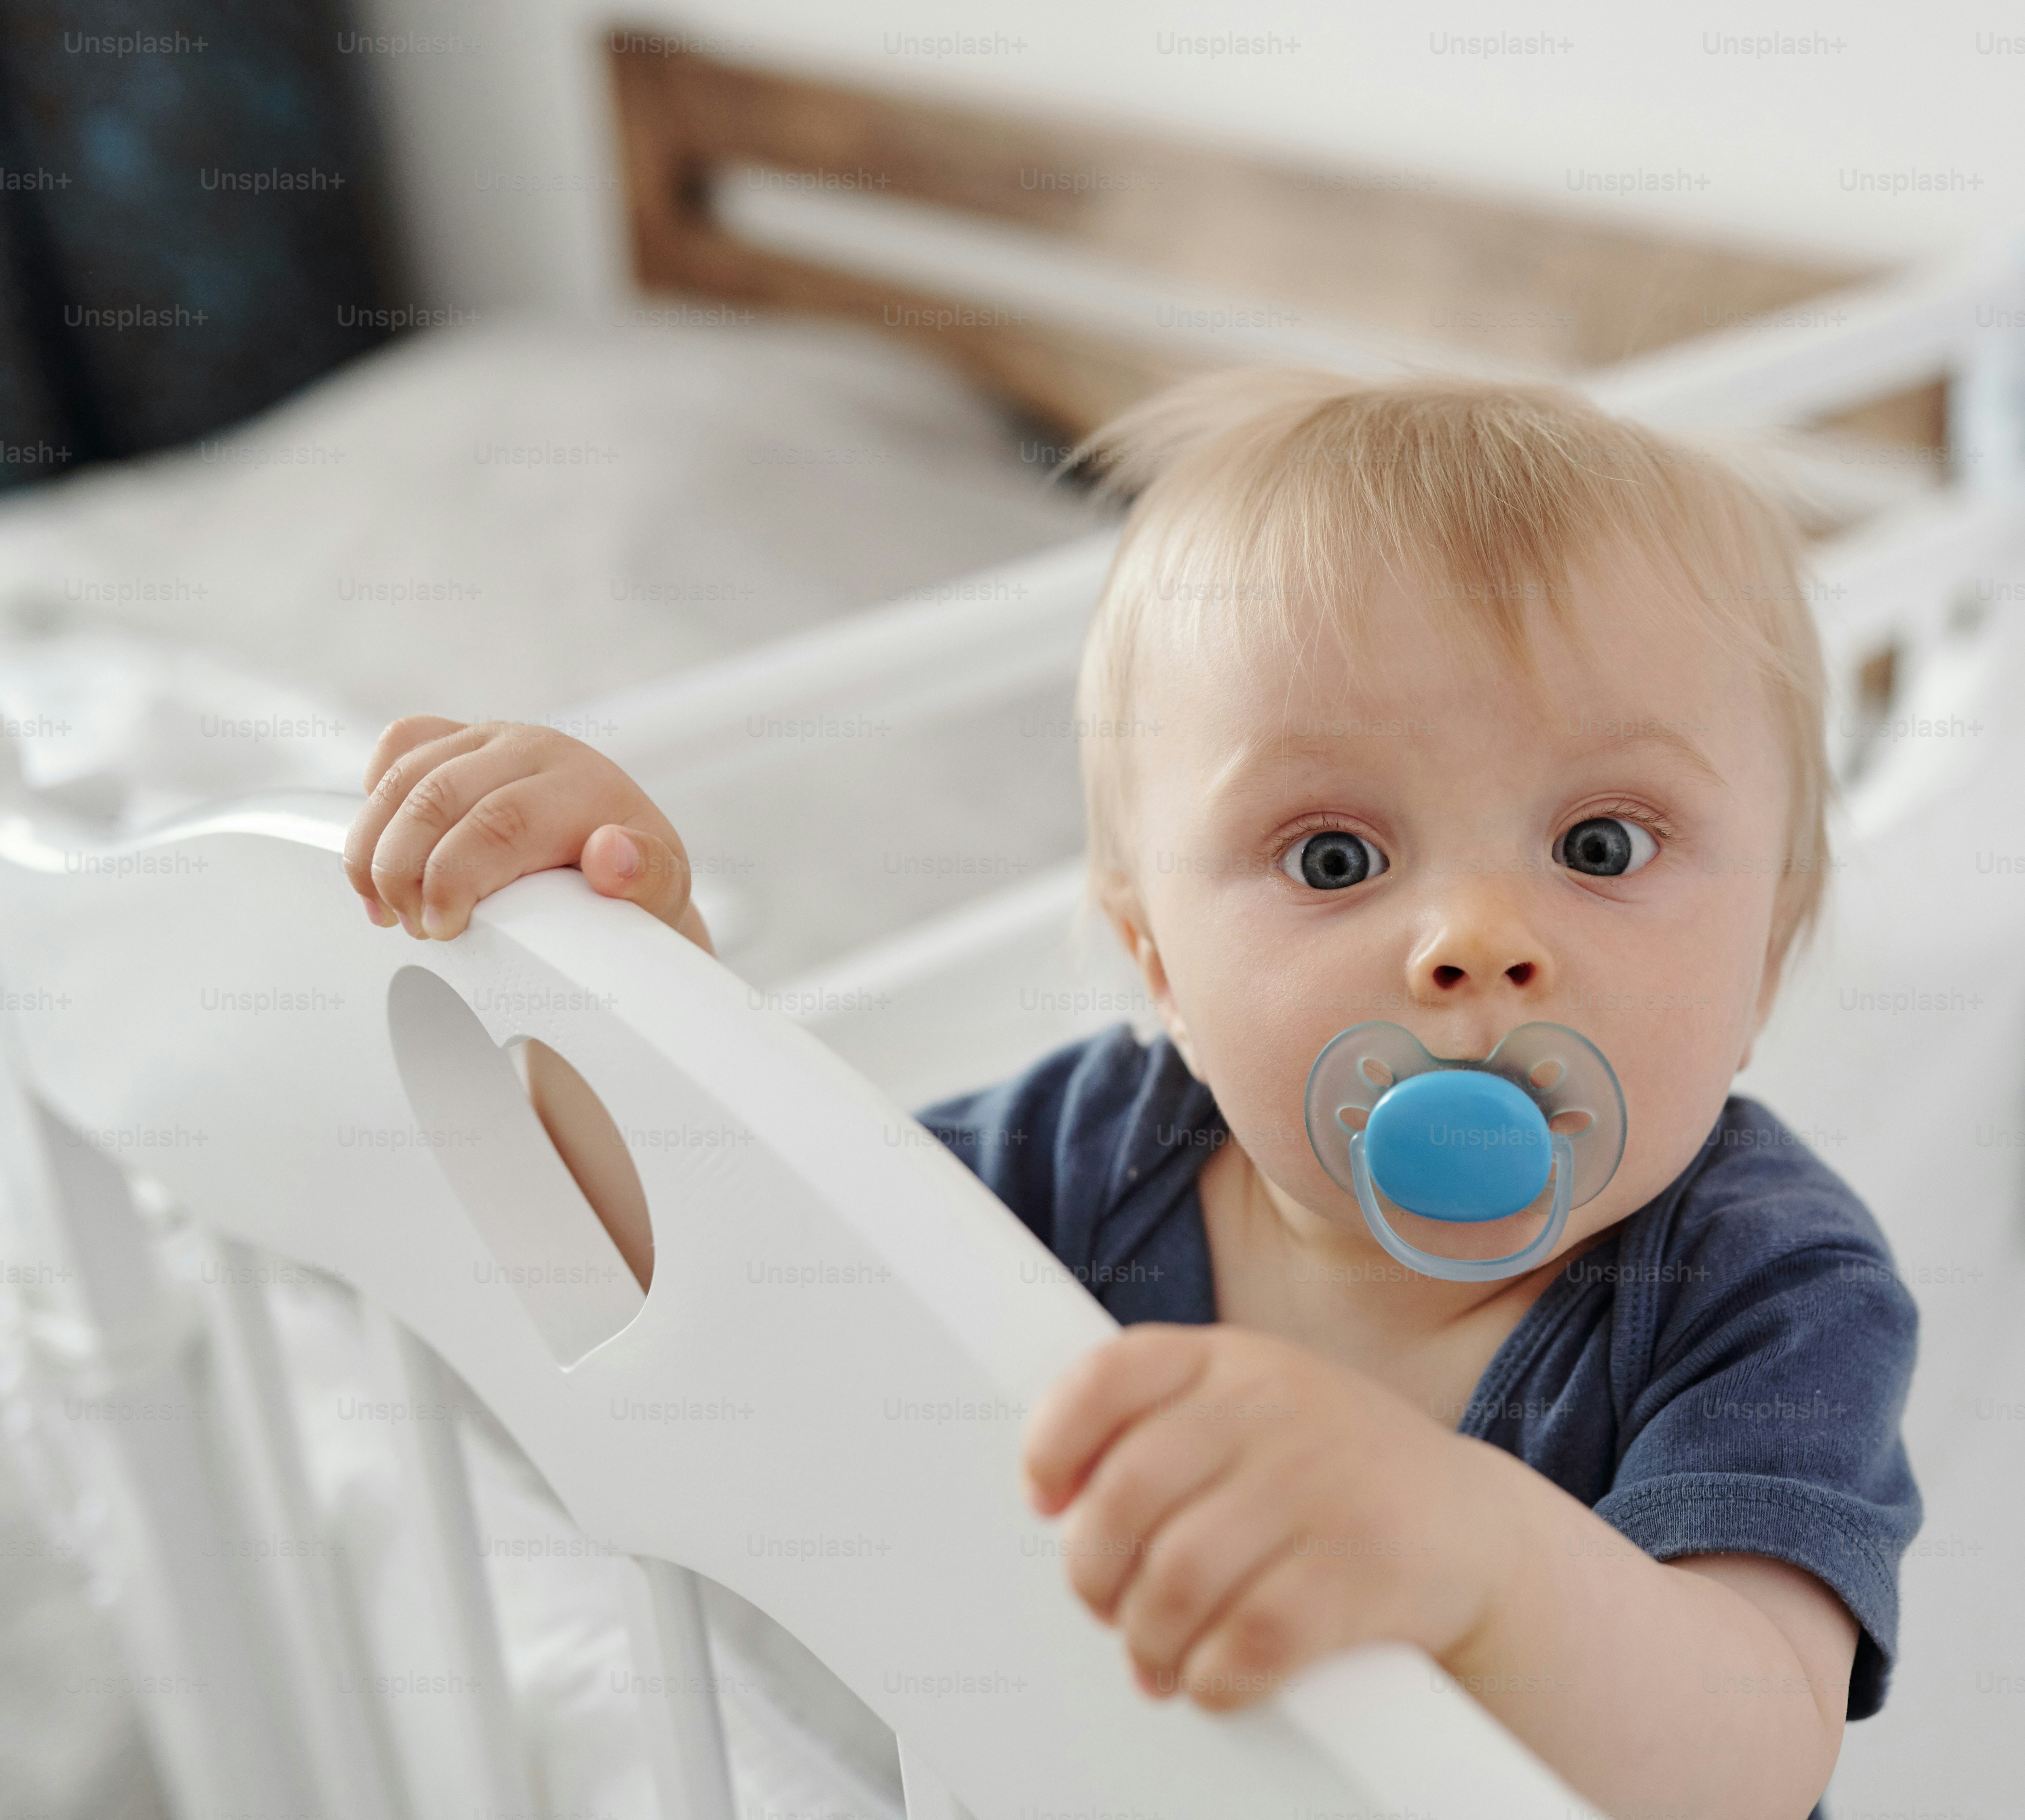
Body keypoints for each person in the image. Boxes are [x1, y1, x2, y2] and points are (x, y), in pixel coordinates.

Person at [343, 367, 1920, 1820]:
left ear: (1768, 955)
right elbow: (745, 1284)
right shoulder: (1093, 1152)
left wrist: (1476, 1557)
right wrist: (621, 968)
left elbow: (1751, 1748)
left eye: (1600, 846)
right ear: (1155, 954)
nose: (1473, 940)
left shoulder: (1768, 1285)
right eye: (1335, 856)